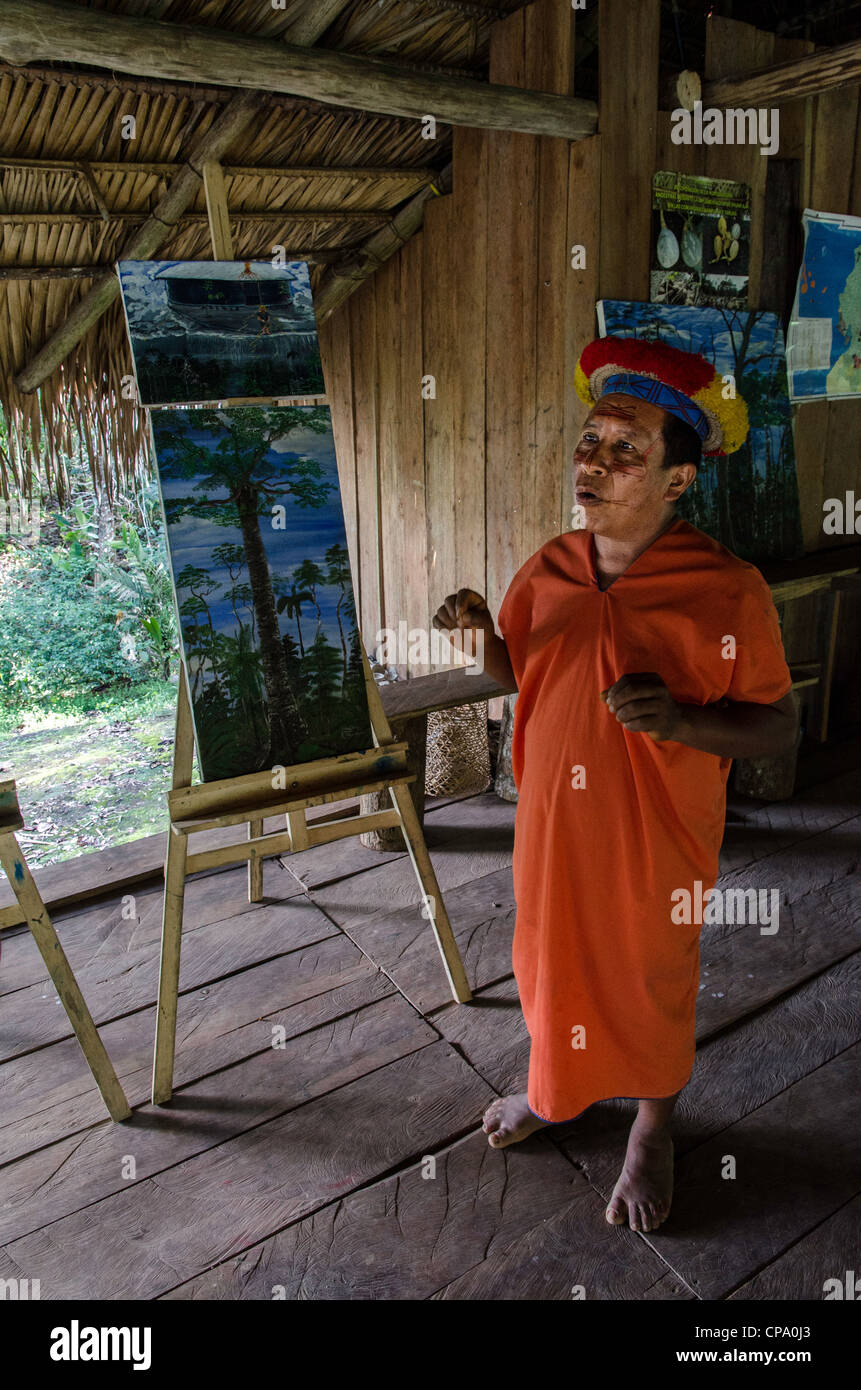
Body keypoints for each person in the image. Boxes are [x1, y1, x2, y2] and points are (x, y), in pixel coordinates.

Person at [433, 335, 797, 1234]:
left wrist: (677, 722)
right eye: (590, 443)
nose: (594, 463)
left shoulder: (723, 589)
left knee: (647, 975)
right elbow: (525, 674)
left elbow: (773, 721)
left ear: (678, 479)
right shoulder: (551, 568)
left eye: (626, 449)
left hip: (655, 831)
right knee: (549, 964)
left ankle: (652, 1126)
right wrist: (477, 635)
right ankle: (555, 1091)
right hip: (553, 821)